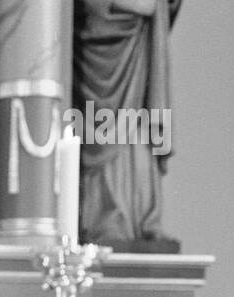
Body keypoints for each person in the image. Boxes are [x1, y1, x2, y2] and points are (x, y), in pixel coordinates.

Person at [73, 0, 181, 247]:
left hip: (138, 45)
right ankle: (105, 219)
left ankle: (143, 217)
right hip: (98, 39)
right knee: (104, 129)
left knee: (139, 130)